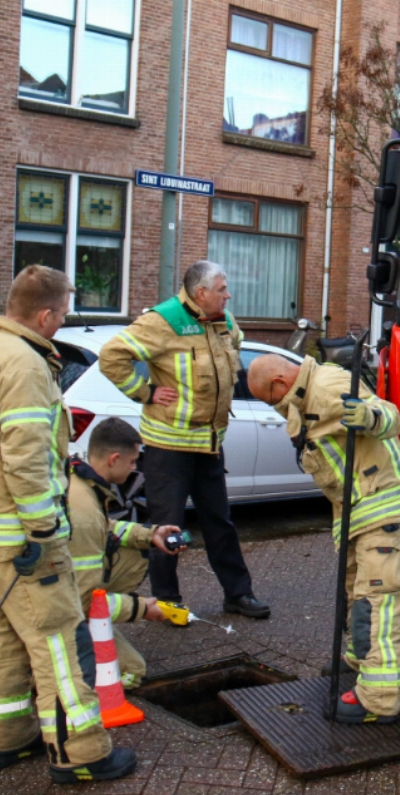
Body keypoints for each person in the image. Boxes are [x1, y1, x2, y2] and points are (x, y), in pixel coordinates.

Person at [0, 265, 135, 783]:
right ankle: (80, 753)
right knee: (56, 640)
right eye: (60, 316)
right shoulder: (27, 366)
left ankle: (5, 738)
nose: (59, 325)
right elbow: (28, 461)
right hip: (20, 539)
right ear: (46, 314)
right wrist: (43, 532)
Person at [247, 352, 400, 724]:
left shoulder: (328, 387)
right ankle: (360, 664)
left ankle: (378, 699)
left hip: (380, 508)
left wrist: (370, 417)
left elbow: (391, 416)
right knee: (356, 595)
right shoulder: (303, 397)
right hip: (357, 512)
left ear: (280, 383)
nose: (274, 407)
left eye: (269, 399)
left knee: (376, 601)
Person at [98, 261, 268, 618]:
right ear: (200, 293)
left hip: (208, 445)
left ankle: (238, 594)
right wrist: (144, 392)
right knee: (167, 527)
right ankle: (166, 601)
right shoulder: (163, 321)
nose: (228, 295)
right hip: (168, 448)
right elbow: (112, 356)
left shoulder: (225, 320)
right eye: (222, 289)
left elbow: (233, 351)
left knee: (220, 523)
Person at [67, 417, 187, 687]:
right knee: (131, 672)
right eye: (132, 462)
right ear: (114, 459)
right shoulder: (84, 512)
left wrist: (149, 534)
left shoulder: (79, 484)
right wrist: (141, 608)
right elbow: (84, 601)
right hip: (65, 611)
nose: (135, 469)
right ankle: (41, 666)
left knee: (133, 549)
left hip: (64, 596)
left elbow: (105, 527)